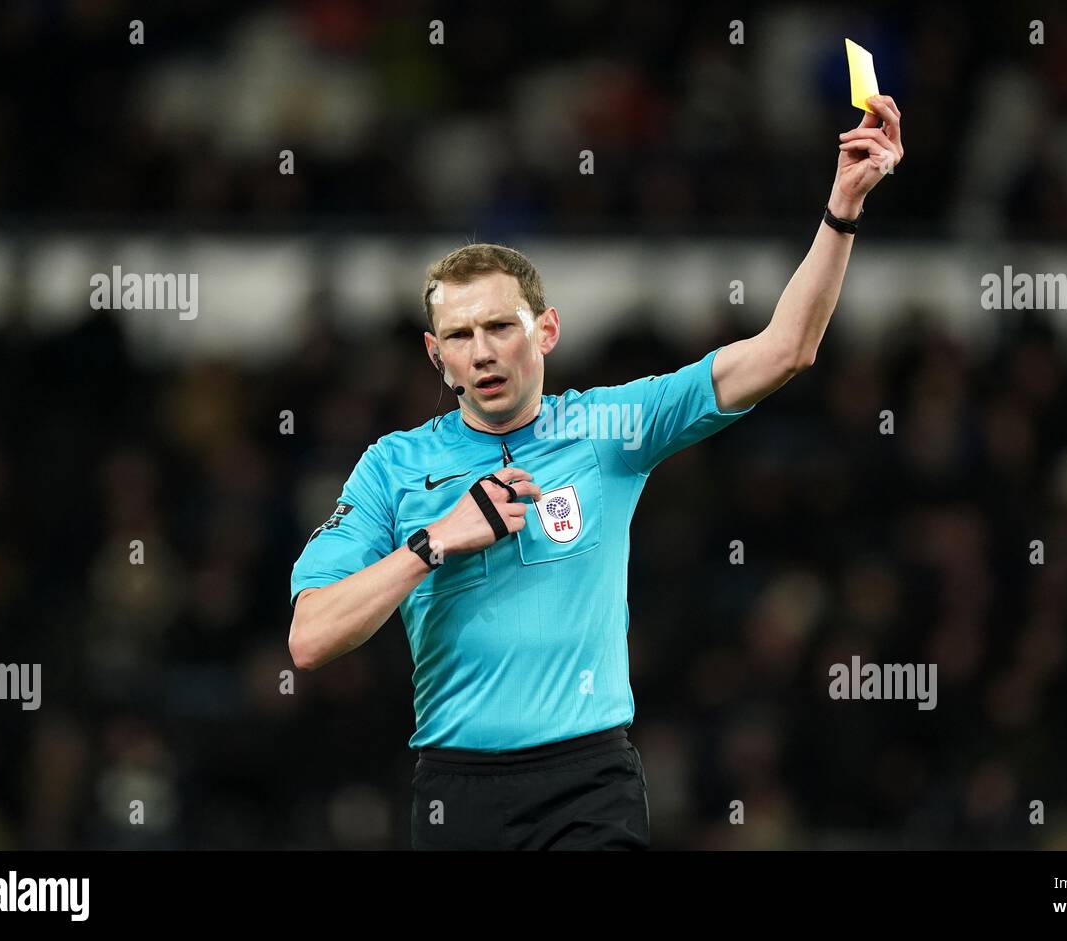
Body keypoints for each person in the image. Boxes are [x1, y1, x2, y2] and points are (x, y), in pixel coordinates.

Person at [288, 95, 903, 849]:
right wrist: (432, 543)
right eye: (459, 335)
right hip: (456, 793)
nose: (481, 351)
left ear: (545, 329)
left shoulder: (608, 427)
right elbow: (309, 638)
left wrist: (841, 209)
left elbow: (784, 351)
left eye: (499, 327)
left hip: (589, 781)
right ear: (435, 353)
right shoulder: (393, 466)